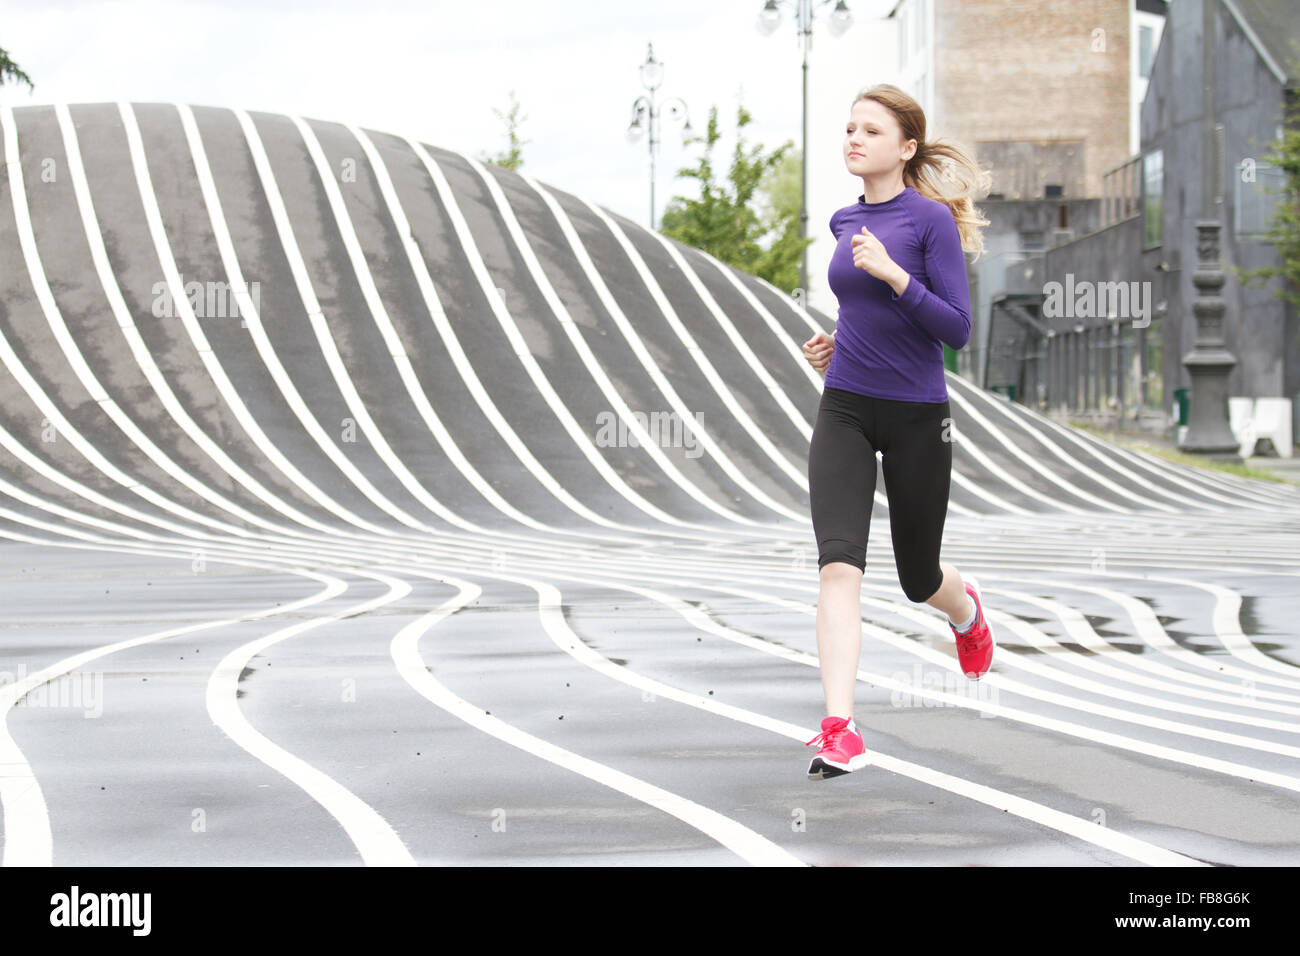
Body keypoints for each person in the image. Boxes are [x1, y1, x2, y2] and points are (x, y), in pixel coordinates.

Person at [800, 83, 995, 780]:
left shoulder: (929, 222)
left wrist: (892, 275)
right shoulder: (842, 219)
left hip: (917, 415)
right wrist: (833, 345)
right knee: (838, 564)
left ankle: (967, 612)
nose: (853, 139)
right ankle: (840, 727)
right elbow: (862, 314)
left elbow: (958, 331)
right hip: (846, 406)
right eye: (849, 128)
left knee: (918, 576)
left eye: (870, 131)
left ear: (906, 147)